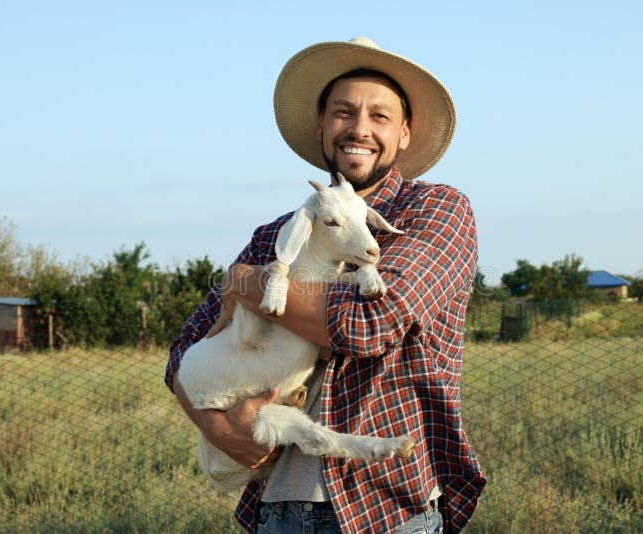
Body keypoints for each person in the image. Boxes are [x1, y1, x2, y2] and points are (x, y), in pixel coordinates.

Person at [165, 37, 486, 533]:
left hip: (385, 511)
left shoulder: (436, 211)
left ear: (404, 133)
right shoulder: (275, 233)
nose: (359, 129)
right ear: (321, 126)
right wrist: (220, 428)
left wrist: (247, 281)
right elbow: (183, 352)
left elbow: (370, 321)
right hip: (276, 511)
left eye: (379, 116)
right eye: (343, 112)